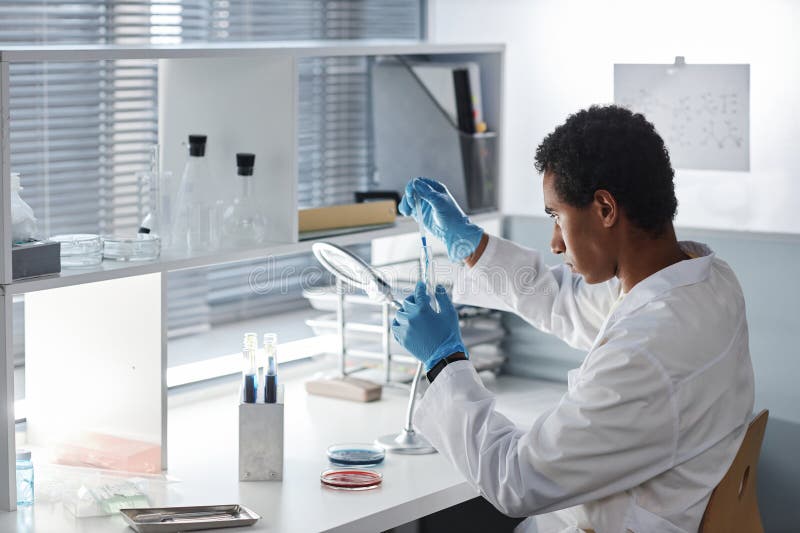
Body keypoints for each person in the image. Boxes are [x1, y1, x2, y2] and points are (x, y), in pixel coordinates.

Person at [391, 105, 755, 533]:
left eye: (556, 216)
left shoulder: (648, 351)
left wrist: (445, 361)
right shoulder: (705, 282)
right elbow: (566, 304)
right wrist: (472, 244)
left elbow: (516, 481)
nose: (555, 243)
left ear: (604, 208)